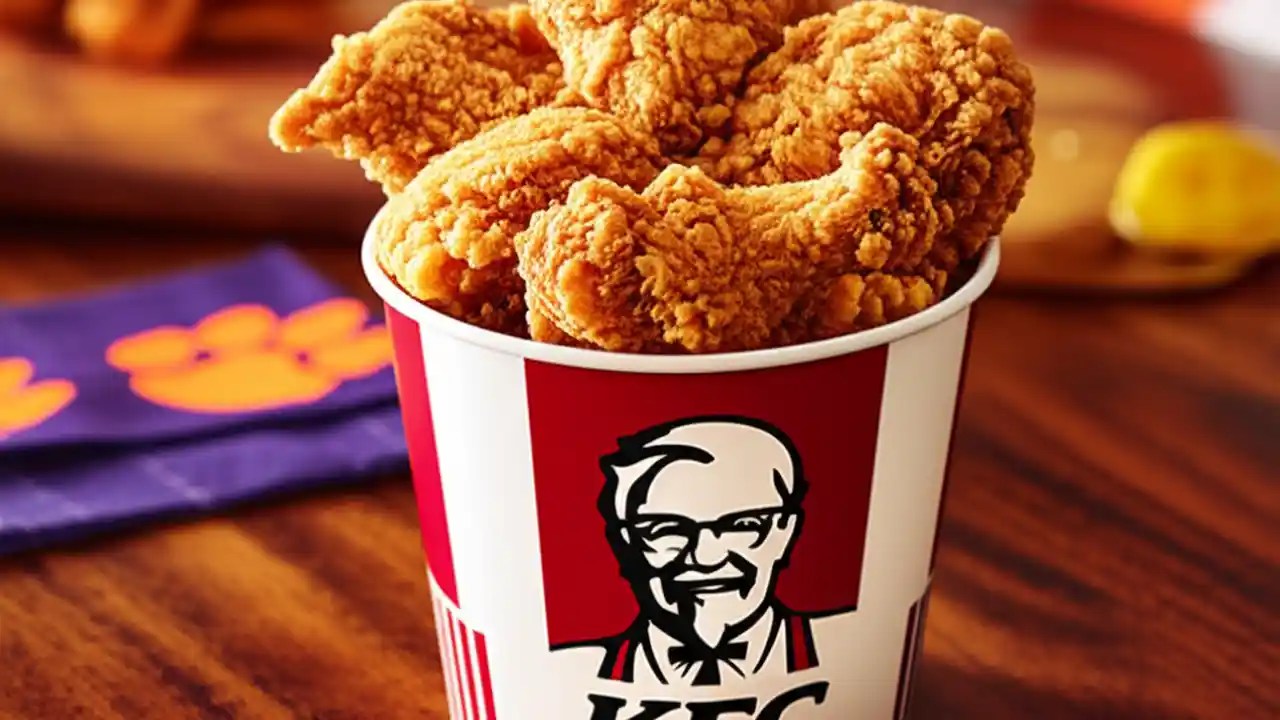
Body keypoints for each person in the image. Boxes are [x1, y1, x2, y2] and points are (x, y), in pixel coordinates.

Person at [557, 416, 824, 686]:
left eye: (742, 525)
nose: (707, 558)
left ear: (785, 532)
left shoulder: (850, 645)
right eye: (666, 529)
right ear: (626, 543)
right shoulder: (567, 673)